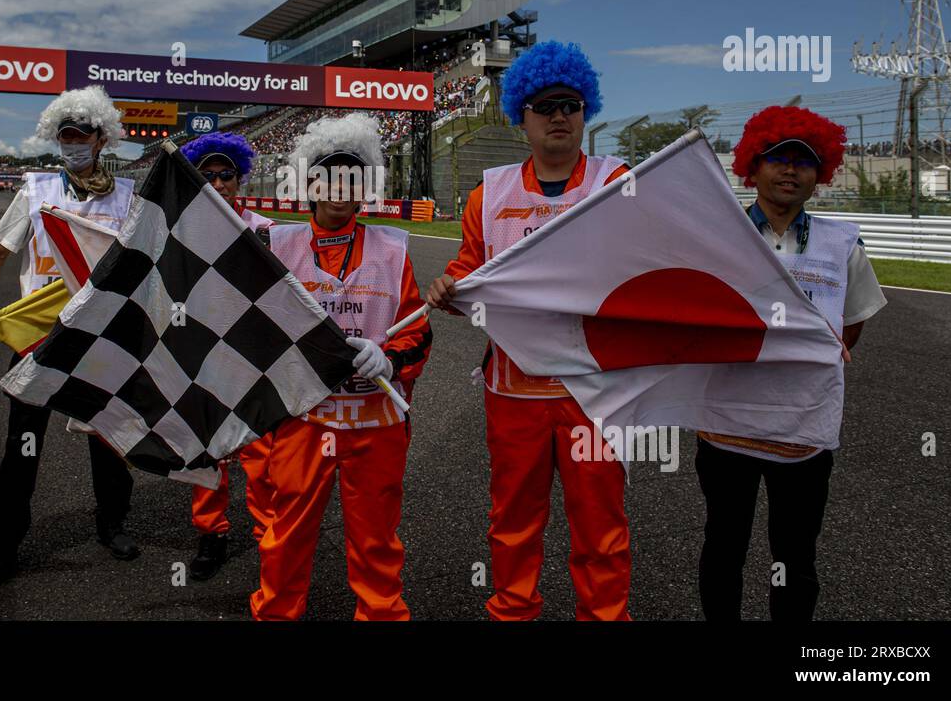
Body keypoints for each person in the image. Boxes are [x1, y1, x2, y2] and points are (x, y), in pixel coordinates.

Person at [427, 40, 632, 621]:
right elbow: (470, 267)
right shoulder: (487, 194)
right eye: (545, 106)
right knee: (514, 517)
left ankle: (606, 617)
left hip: (594, 390)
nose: (559, 115)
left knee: (600, 522)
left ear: (586, 109)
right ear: (522, 117)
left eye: (570, 103)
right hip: (514, 390)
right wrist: (447, 285)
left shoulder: (617, 182)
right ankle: (512, 611)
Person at [696, 105, 886, 621]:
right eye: (775, 157)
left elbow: (851, 324)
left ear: (819, 172)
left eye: (804, 161)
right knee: (724, 549)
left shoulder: (842, 244)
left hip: (805, 430)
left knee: (796, 557)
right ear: (751, 167)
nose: (789, 169)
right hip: (726, 427)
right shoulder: (718, 236)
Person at [251, 113, 432, 620]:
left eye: (353, 180)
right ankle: (276, 614)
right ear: (310, 182)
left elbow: (417, 331)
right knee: (286, 530)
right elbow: (251, 329)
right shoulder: (275, 245)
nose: (340, 189)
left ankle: (381, 614)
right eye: (329, 177)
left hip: (376, 424)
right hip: (303, 420)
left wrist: (390, 361)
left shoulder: (393, 249)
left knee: (376, 538)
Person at [0, 86, 137, 584]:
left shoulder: (127, 195)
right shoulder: (36, 188)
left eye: (80, 134)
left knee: (106, 437)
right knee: (23, 443)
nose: (71, 143)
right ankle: (6, 542)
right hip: (38, 334)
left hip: (101, 335)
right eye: (64, 135)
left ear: (101, 138)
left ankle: (112, 524)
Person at [178, 132, 277, 580]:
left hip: (252, 358)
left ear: (240, 179)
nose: (218, 183)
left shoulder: (263, 228)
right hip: (199, 355)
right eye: (208, 175)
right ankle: (210, 534)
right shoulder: (178, 230)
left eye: (227, 175)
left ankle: (269, 536)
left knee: (260, 453)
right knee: (207, 453)